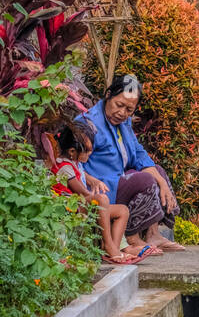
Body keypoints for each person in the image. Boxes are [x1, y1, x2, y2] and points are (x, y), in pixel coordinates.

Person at [76, 73, 185, 255]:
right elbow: (71, 161)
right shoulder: (88, 123)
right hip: (102, 186)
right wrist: (90, 179)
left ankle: (153, 234)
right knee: (145, 181)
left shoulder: (124, 122)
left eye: (129, 109)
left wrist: (163, 182)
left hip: (118, 179)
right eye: (119, 105)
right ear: (108, 94)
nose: (122, 113)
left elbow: (139, 154)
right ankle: (132, 237)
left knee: (157, 172)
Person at [45, 118, 151, 265]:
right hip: (68, 207)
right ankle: (109, 246)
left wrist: (94, 185)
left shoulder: (74, 164)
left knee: (122, 210)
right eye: (87, 151)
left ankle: (111, 247)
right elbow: (82, 193)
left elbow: (84, 184)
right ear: (72, 151)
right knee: (101, 200)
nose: (90, 154)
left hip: (79, 205)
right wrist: (99, 199)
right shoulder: (64, 167)